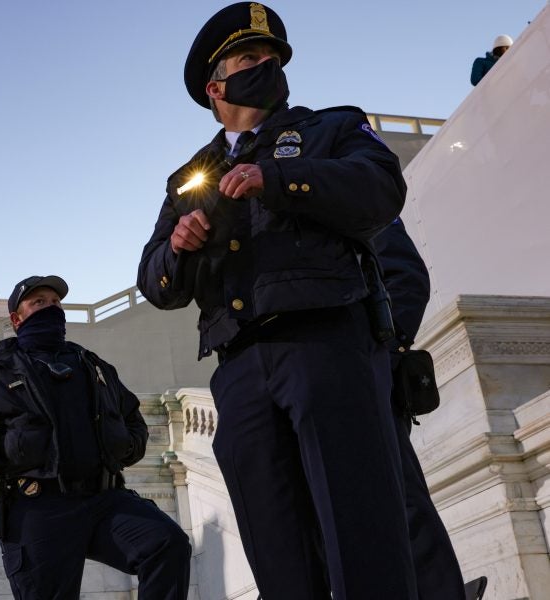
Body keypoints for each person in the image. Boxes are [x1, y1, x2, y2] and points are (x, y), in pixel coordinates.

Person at [137, 3, 415, 598]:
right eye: (249, 59)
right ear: (216, 86)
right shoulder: (190, 177)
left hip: (326, 343)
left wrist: (281, 181)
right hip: (238, 369)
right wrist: (179, 249)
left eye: (271, 58)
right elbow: (154, 282)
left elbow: (383, 188)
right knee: (276, 548)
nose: (266, 65)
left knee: (361, 531)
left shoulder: (330, 128)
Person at [0, 275, 191, 600]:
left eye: (55, 302)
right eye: (38, 303)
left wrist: (125, 446)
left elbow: (131, 415)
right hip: (38, 507)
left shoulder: (93, 366)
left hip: (104, 500)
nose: (50, 308)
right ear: (17, 318)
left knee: (167, 544)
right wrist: (8, 446)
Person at [375, 219, 467, 599]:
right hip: (296, 395)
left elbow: (406, 276)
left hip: (363, 391)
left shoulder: (348, 187)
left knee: (403, 512)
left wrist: (373, 356)